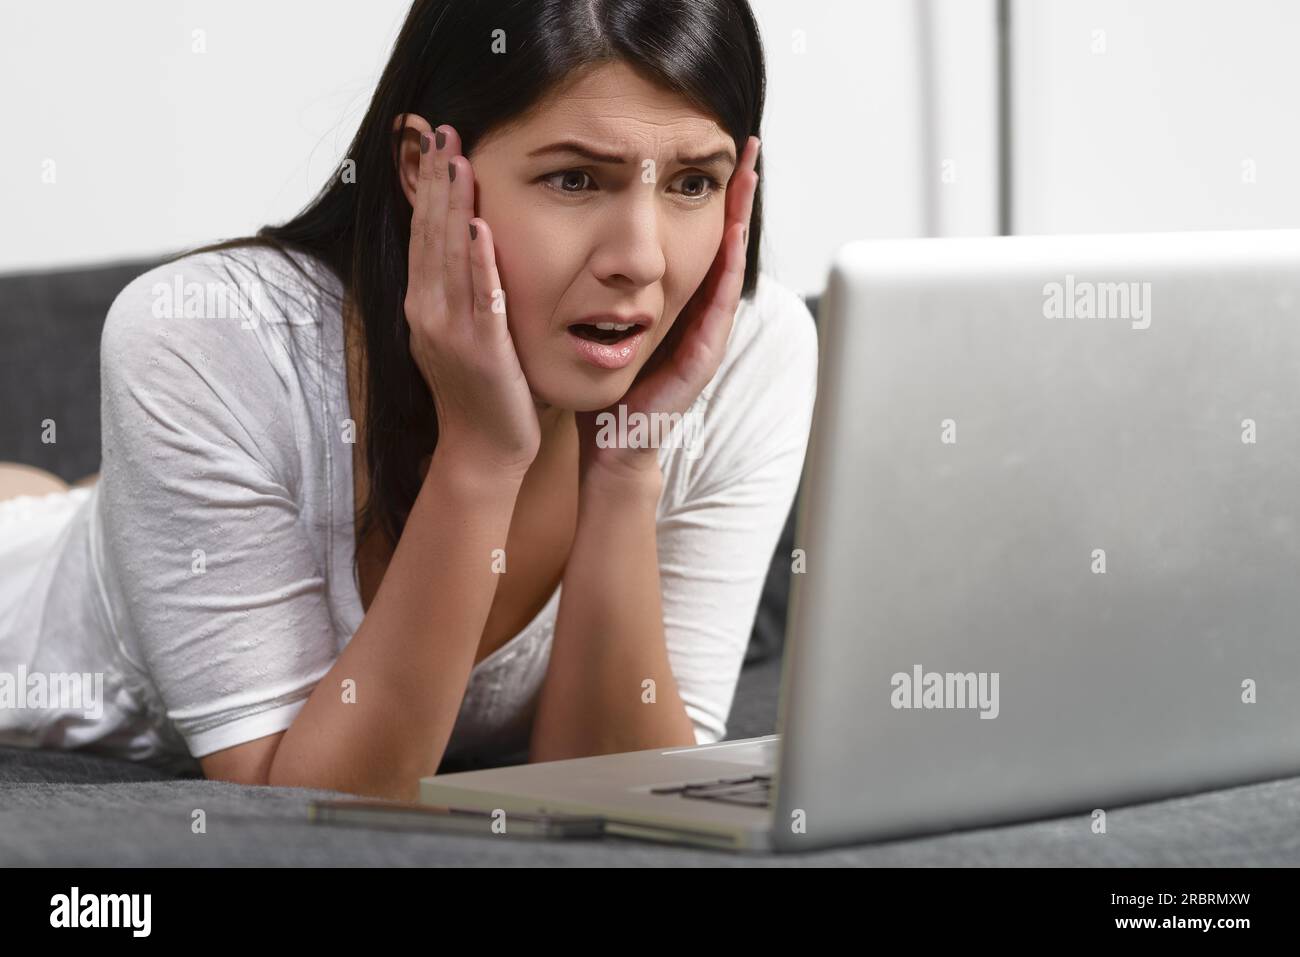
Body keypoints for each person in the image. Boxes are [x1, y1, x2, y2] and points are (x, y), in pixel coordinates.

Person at [0, 0, 817, 802]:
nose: (641, 260)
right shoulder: (197, 339)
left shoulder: (748, 357)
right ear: (425, 170)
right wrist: (482, 454)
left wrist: (629, 459)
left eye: (691, 182)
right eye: (575, 178)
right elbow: (305, 812)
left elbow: (620, 790)